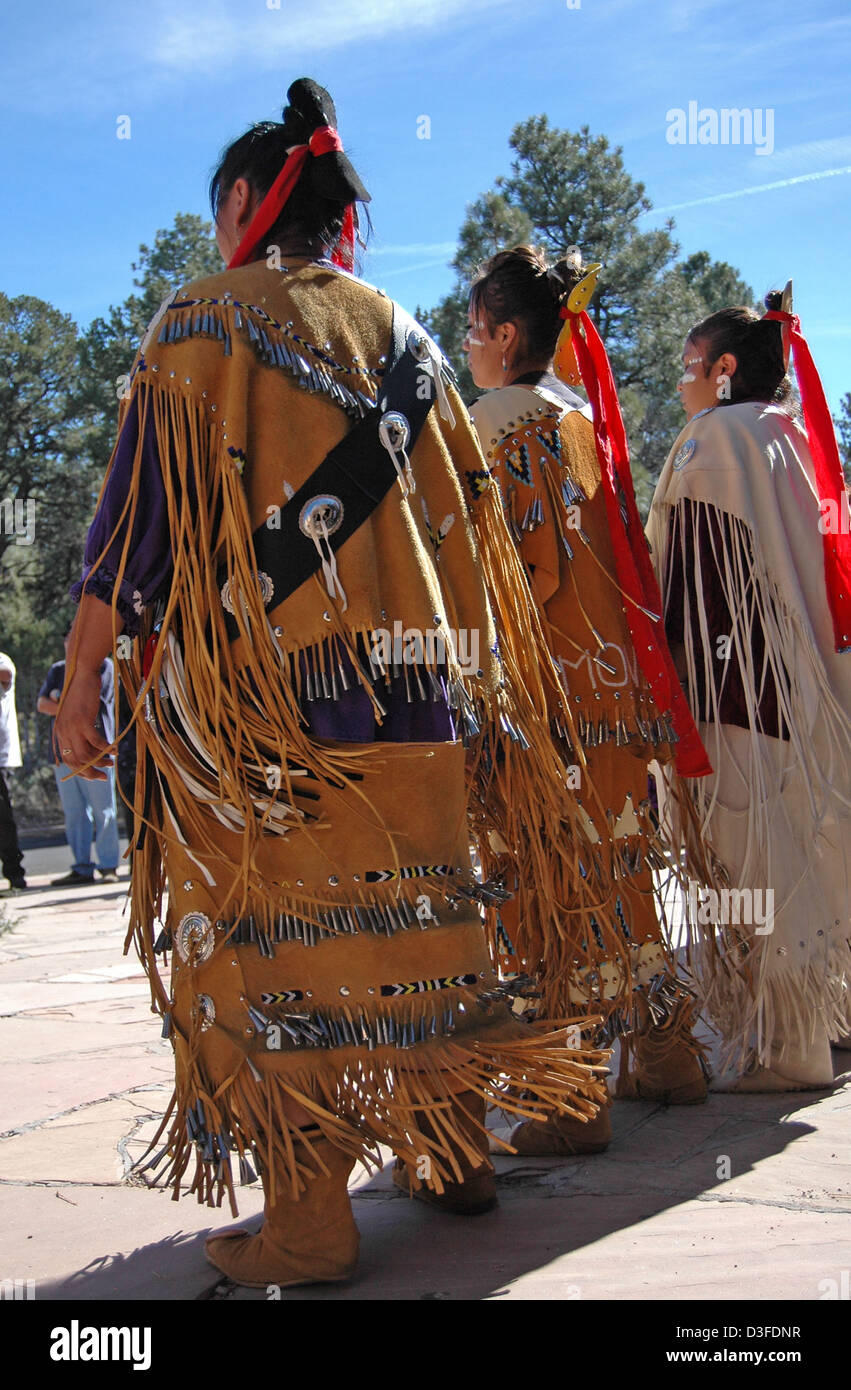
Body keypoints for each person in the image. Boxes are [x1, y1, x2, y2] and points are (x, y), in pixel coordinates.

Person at [55, 79, 606, 1290]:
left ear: (248, 202)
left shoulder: (198, 322)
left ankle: (309, 1215)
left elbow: (130, 528)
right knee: (419, 923)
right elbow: (466, 526)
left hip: (273, 706)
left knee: (278, 940)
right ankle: (451, 1148)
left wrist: (81, 680)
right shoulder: (406, 337)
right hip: (421, 694)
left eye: (220, 210)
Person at [461, 245, 714, 1154]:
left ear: (502, 334)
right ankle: (667, 1055)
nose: (464, 345)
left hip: (544, 701)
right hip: (610, 697)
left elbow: (527, 564)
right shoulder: (580, 413)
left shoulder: (496, 418)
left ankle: (568, 1104)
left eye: (471, 329)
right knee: (619, 874)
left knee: (541, 887)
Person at [646, 287, 851, 1090]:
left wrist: (677, 695)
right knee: (817, 841)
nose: (681, 385)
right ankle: (830, 1018)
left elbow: (696, 580)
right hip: (804, 687)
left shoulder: (715, 438)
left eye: (689, 367)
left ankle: (786, 1046)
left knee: (756, 859)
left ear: (725, 368)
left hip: (739, 692)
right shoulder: (789, 431)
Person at [37, 626, 120, 886]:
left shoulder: (104, 666)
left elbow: (92, 702)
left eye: (76, 638)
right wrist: (67, 704)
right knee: (75, 814)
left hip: (97, 751)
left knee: (103, 810)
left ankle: (108, 867)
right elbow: (42, 704)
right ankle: (82, 867)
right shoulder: (57, 670)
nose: (71, 644)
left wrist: (60, 702)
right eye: (68, 640)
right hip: (62, 754)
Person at [0, 650, 27, 892]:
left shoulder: (2, 659)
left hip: (1, 756)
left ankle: (14, 873)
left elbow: (5, 674)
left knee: (3, 818)